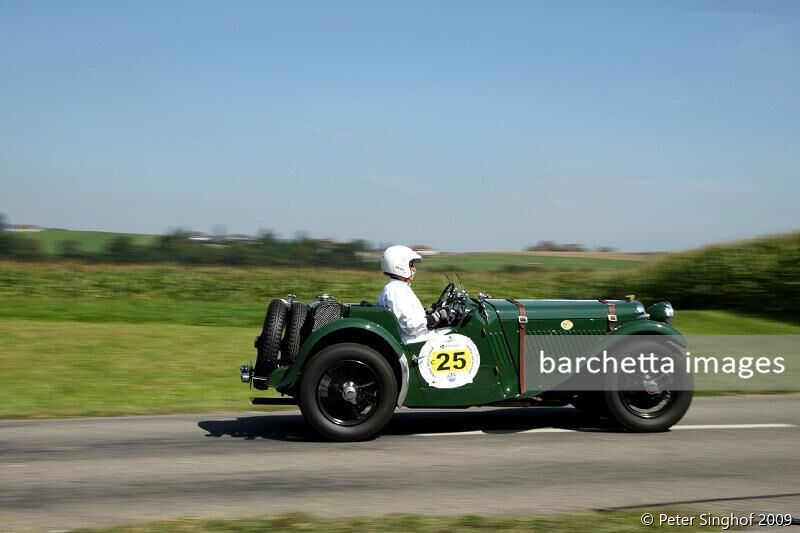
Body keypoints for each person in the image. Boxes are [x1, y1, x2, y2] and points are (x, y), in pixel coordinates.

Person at [376, 245, 450, 343]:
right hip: (415, 340)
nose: (414, 269)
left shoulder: (397, 287)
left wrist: (428, 312)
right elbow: (411, 326)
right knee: (458, 336)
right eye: (411, 265)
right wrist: (436, 316)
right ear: (399, 266)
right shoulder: (396, 291)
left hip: (416, 336)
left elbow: (408, 315)